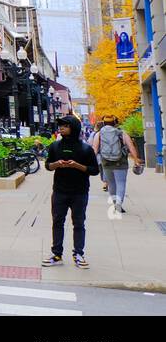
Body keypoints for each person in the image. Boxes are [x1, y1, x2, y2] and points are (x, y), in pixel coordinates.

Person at [43, 115, 100, 269]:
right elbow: (48, 166)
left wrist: (77, 166)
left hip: (79, 192)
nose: (61, 128)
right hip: (59, 191)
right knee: (57, 222)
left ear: (73, 128)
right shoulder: (55, 146)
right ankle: (56, 254)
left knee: (79, 223)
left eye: (65, 126)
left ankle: (78, 253)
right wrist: (56, 164)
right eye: (60, 125)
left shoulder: (85, 148)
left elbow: (95, 170)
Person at [95, 116, 142, 214]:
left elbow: (95, 149)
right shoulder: (122, 133)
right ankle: (119, 204)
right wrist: (136, 160)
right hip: (120, 161)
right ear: (115, 123)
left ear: (104, 123)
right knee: (121, 183)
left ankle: (115, 203)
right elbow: (131, 146)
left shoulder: (99, 134)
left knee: (111, 183)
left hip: (106, 161)